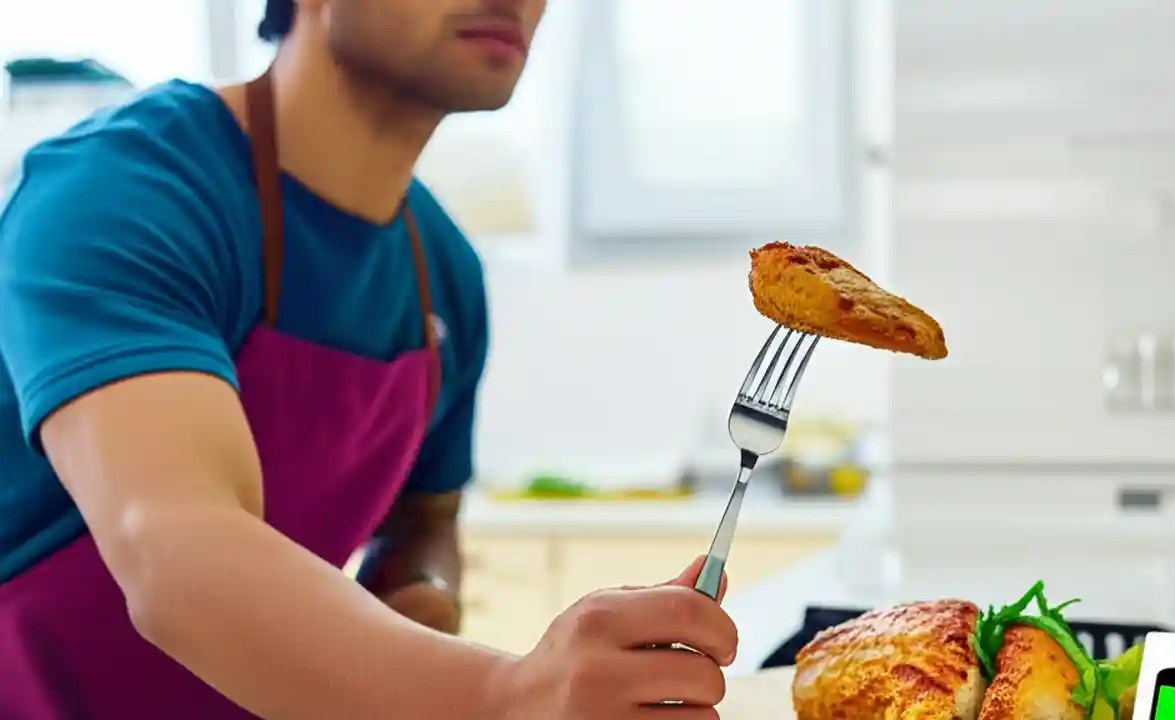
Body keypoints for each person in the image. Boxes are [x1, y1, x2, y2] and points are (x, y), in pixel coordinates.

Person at [0, 0, 737, 717]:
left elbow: (425, 524)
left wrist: (418, 591)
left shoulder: (441, 265)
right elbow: (177, 556)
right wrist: (504, 696)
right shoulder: (123, 189)